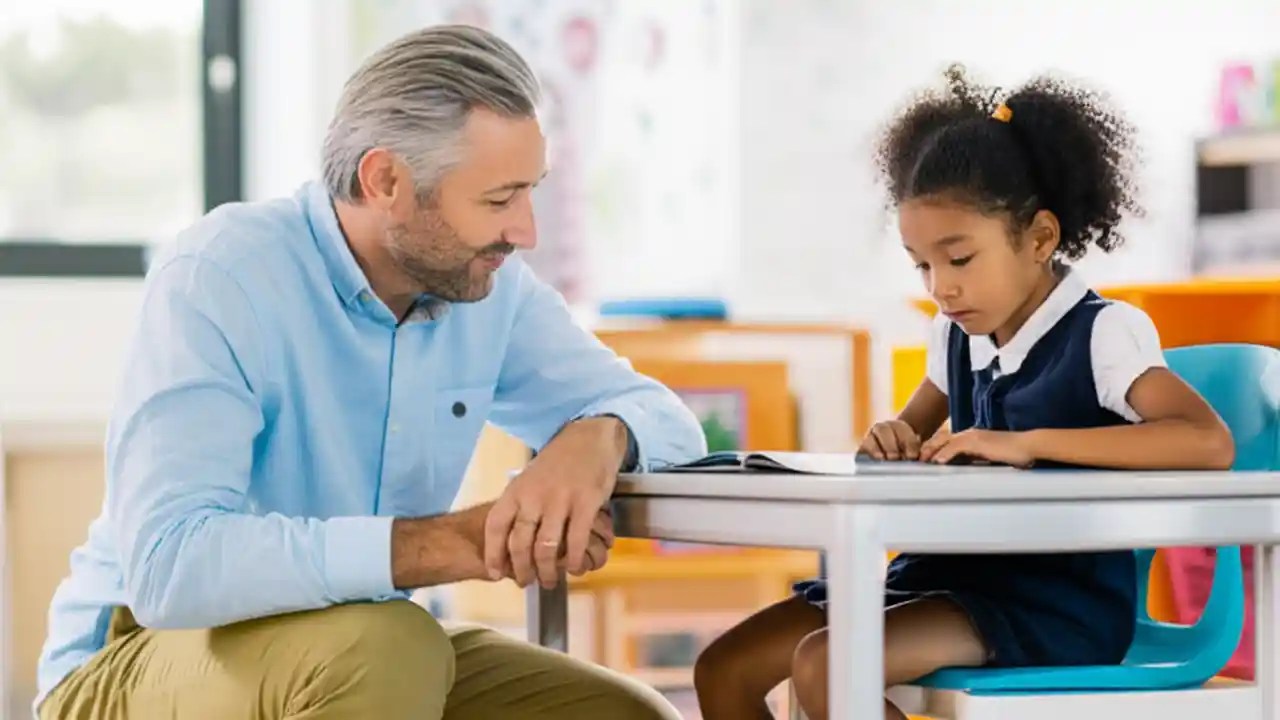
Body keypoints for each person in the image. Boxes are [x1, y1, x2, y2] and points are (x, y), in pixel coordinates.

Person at [36, 25, 706, 720]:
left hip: (359, 640)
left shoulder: (487, 287)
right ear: (385, 180)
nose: (526, 231)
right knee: (390, 647)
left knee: (625, 713)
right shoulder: (221, 275)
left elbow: (670, 423)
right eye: (498, 199)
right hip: (136, 655)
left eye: (531, 192)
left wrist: (598, 436)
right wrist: (454, 542)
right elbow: (170, 568)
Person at [693, 64, 1235, 720]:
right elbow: (898, 443)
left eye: (960, 259)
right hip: (943, 578)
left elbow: (1206, 441)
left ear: (1039, 238)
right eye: (921, 264)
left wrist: (1027, 445)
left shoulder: (1101, 334)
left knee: (828, 667)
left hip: (1052, 603)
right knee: (723, 669)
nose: (939, 287)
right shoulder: (952, 337)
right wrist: (889, 437)